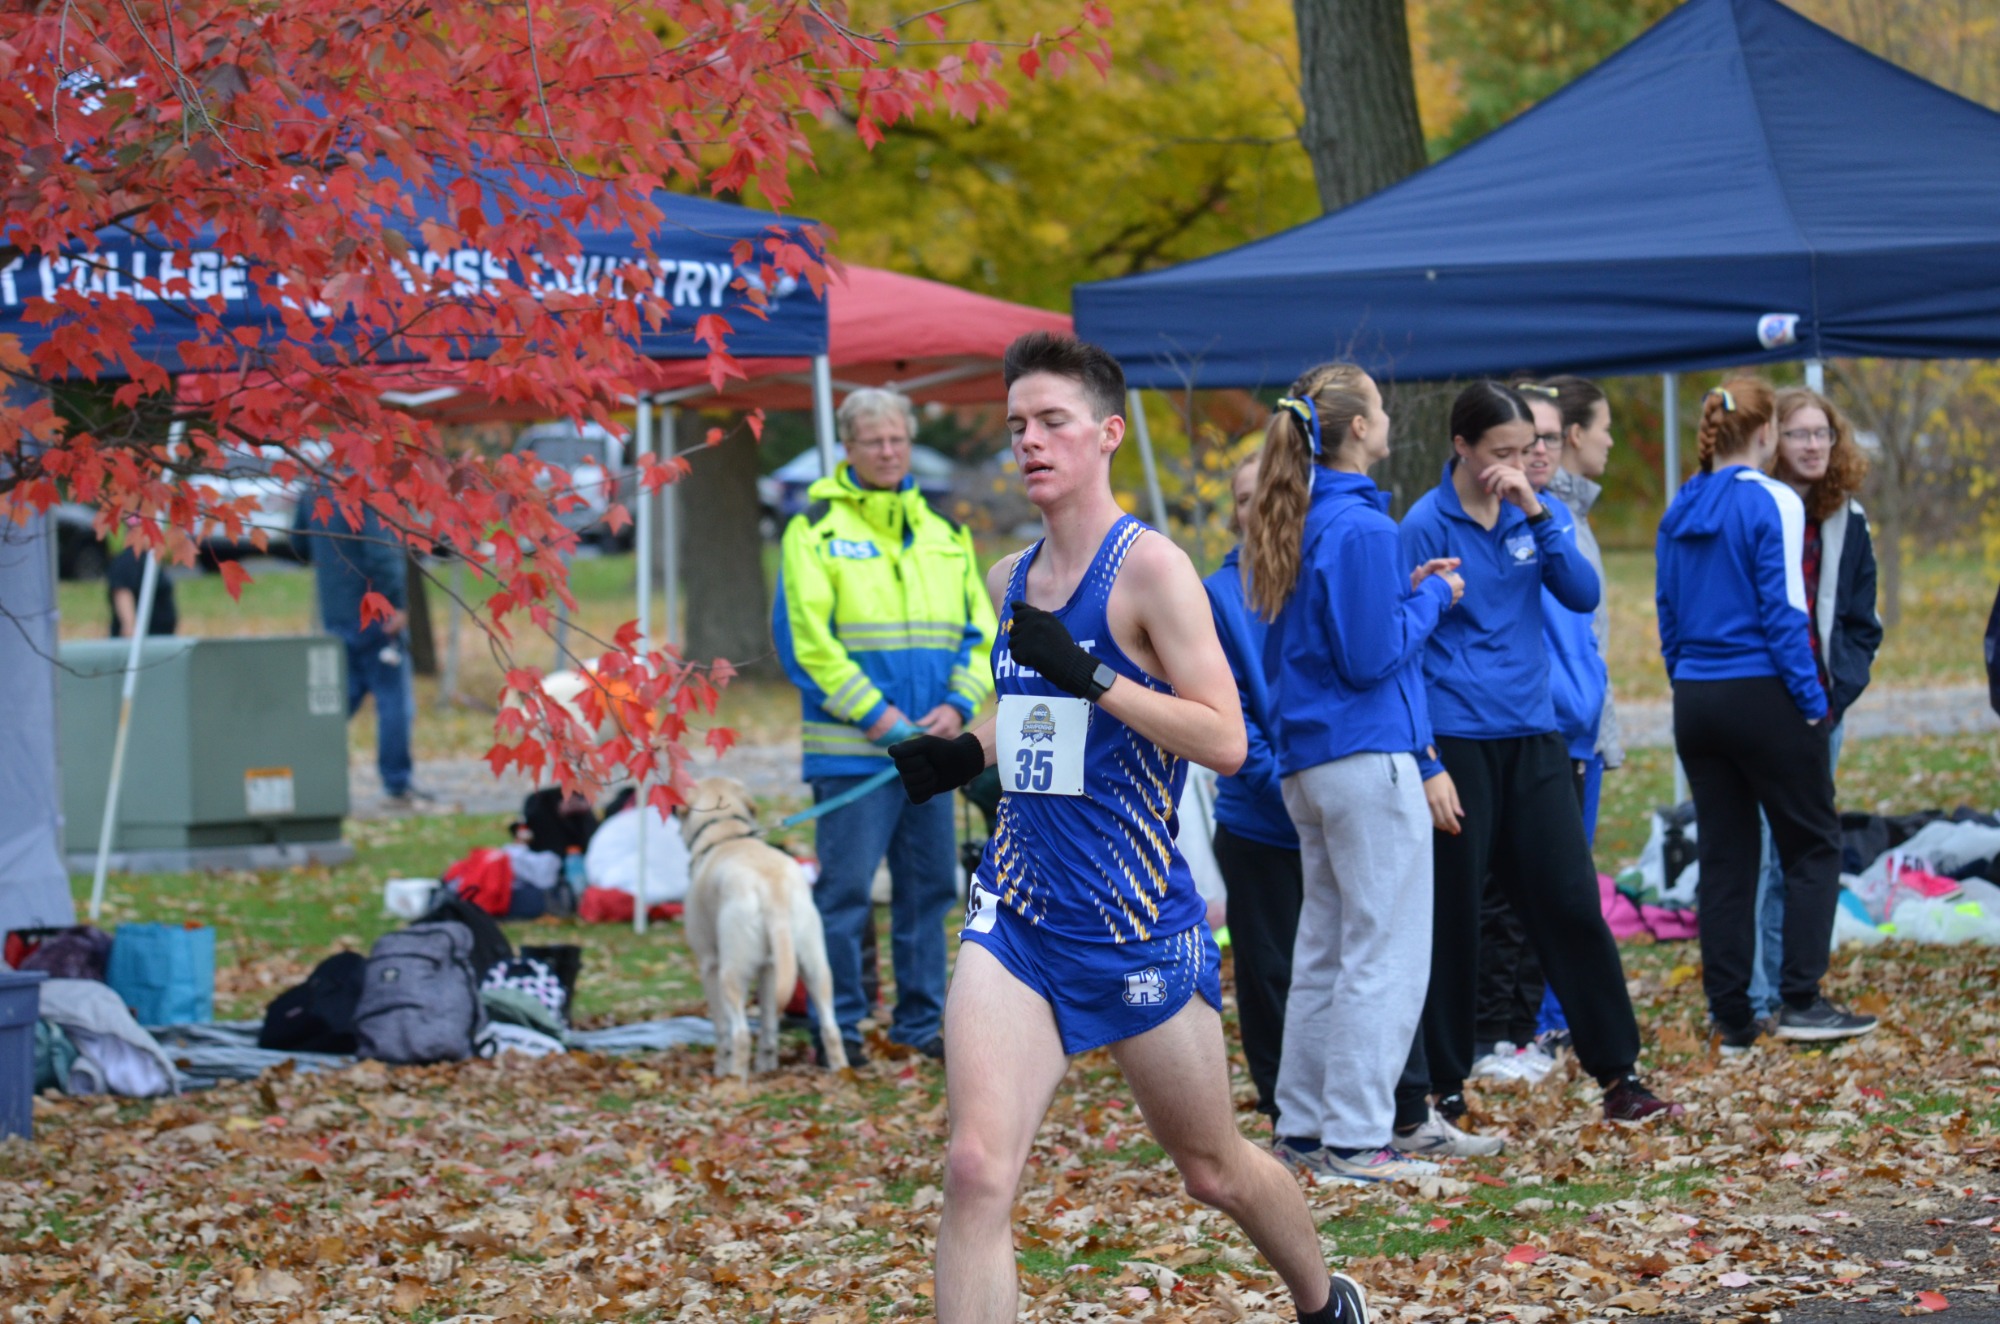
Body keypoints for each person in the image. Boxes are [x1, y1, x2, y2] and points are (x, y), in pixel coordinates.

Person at [889, 332, 1371, 1324]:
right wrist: (963, 752)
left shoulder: (1151, 571)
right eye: (1017, 425)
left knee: (1213, 1168)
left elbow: (1226, 739)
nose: (1029, 442)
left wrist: (1093, 674)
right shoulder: (1009, 577)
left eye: (1052, 422)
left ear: (1107, 433)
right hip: (1018, 915)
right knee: (976, 1168)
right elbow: (1031, 716)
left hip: (1134, 924)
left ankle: (1325, 1301)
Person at [1400, 381, 1680, 1128]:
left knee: (1569, 904)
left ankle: (1619, 1076)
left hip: (1534, 735)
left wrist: (1533, 508)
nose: (1514, 465)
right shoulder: (1426, 524)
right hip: (1458, 739)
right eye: (1499, 453)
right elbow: (1402, 651)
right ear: (1460, 447)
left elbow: (1582, 593)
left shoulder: (1537, 510)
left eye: (1525, 452)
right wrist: (1425, 761)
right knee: (1455, 918)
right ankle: (1444, 1087)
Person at [1246, 362, 1480, 1182]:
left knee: (1324, 950)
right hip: (1366, 759)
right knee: (1383, 952)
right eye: (1378, 408)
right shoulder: (1364, 527)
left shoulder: (1301, 518)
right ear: (1356, 430)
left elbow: (1324, 639)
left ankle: (1305, 1129)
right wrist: (1435, 601)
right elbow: (1371, 655)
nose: (1387, 419)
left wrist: (1402, 598)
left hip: (1310, 764)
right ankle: (1355, 1139)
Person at [773, 387, 997, 1065]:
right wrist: (884, 720)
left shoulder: (944, 532)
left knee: (928, 890)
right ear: (848, 446)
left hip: (930, 752)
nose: (889, 451)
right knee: (844, 895)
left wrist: (959, 707)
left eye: (898, 438)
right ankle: (838, 1030)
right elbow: (806, 643)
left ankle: (920, 1026)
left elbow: (980, 633)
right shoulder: (814, 530)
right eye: (875, 441)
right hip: (853, 755)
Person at [1656, 379, 1879, 1049]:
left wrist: (1686, 682)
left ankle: (1731, 1017)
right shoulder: (1773, 499)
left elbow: (1668, 614)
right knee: (1813, 844)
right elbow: (1785, 612)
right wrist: (1814, 707)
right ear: (1767, 435)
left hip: (1696, 698)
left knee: (1725, 858)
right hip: (1762, 693)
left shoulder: (1681, 504)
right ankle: (1802, 999)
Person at [1748, 387, 1882, 1027]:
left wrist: (1834, 696)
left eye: (1821, 434)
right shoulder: (1754, 508)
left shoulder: (1847, 519)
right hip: (1756, 706)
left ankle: (1790, 990)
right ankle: (1756, 994)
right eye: (1798, 433)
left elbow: (1861, 623)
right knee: (1758, 850)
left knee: (1799, 851)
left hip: (1819, 710)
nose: (1811, 445)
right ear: (1774, 440)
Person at [1202, 453, 1302, 1132]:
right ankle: (1279, 1100)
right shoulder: (1214, 594)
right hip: (1261, 817)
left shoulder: (1320, 574)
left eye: (1261, 495)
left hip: (1335, 811)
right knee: (1268, 971)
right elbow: (1227, 715)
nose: (1252, 509)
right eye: (1241, 499)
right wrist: (1292, 789)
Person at [292, 480, 424, 804]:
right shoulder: (370, 490)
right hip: (374, 613)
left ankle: (303, 768)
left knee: (338, 701)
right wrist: (394, 603)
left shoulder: (314, 489)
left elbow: (298, 542)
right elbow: (382, 554)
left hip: (335, 612)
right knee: (393, 701)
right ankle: (396, 783)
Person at [106, 522, 178, 639]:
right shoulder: (127, 561)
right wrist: (130, 627)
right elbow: (122, 594)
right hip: (143, 644)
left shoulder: (149, 560)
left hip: (158, 639)